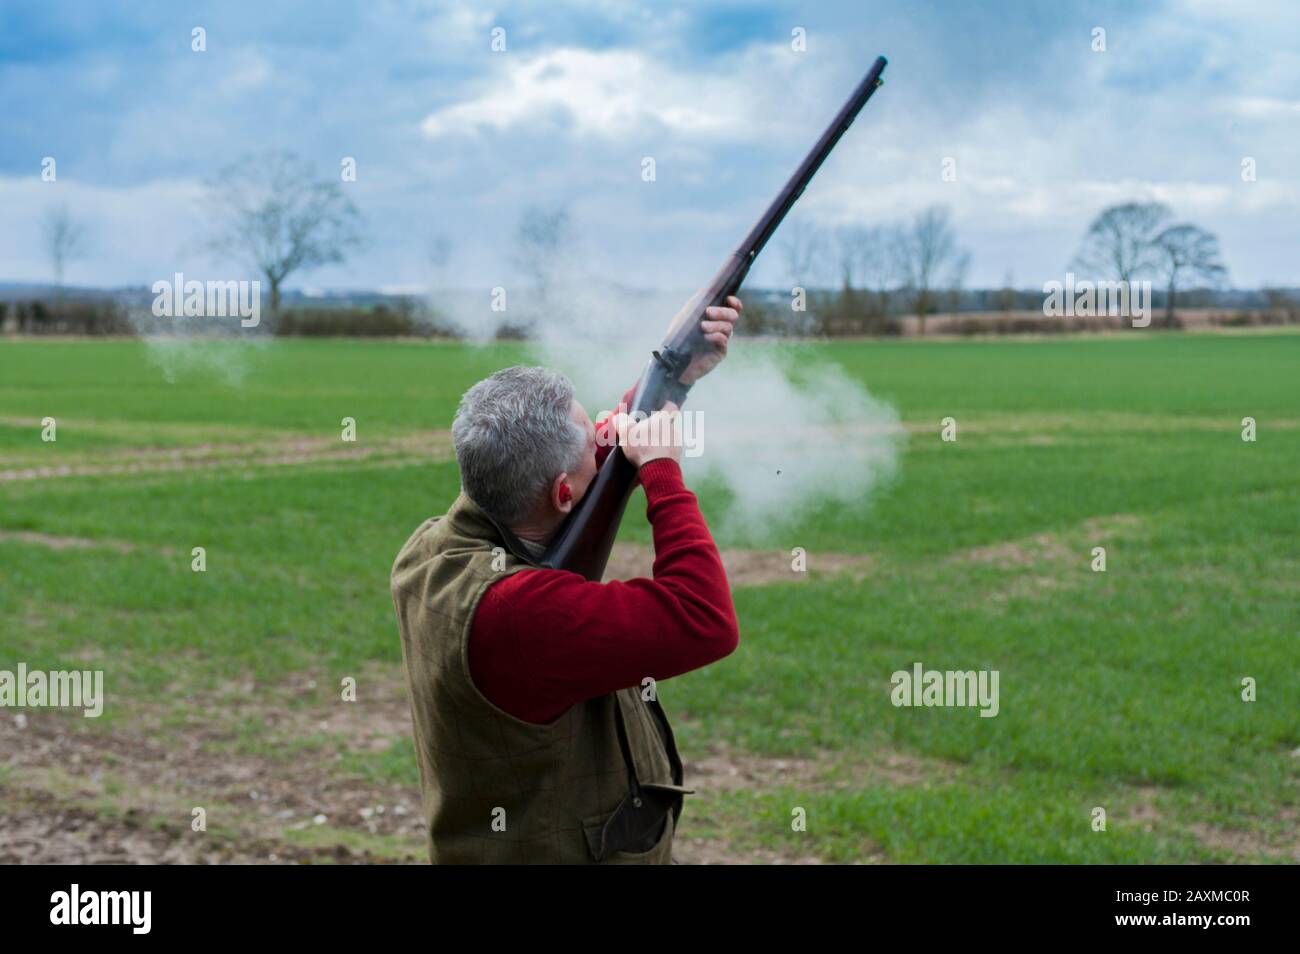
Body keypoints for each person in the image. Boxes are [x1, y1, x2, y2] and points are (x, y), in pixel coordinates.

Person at [391, 297, 743, 863]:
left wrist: (675, 372)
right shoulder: (525, 614)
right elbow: (705, 619)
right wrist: (661, 473)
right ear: (561, 494)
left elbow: (585, 484)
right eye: (594, 440)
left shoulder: (428, 550)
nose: (607, 435)